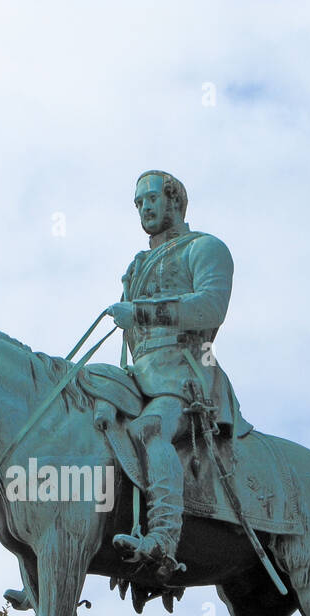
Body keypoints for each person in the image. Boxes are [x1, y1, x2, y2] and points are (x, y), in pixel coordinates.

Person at [105, 170, 251, 579]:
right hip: (142, 374)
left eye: (151, 198)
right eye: (138, 203)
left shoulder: (205, 248)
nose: (144, 208)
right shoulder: (137, 266)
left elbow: (209, 307)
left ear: (175, 201)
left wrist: (141, 312)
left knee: (151, 429)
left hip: (187, 373)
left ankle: (165, 539)